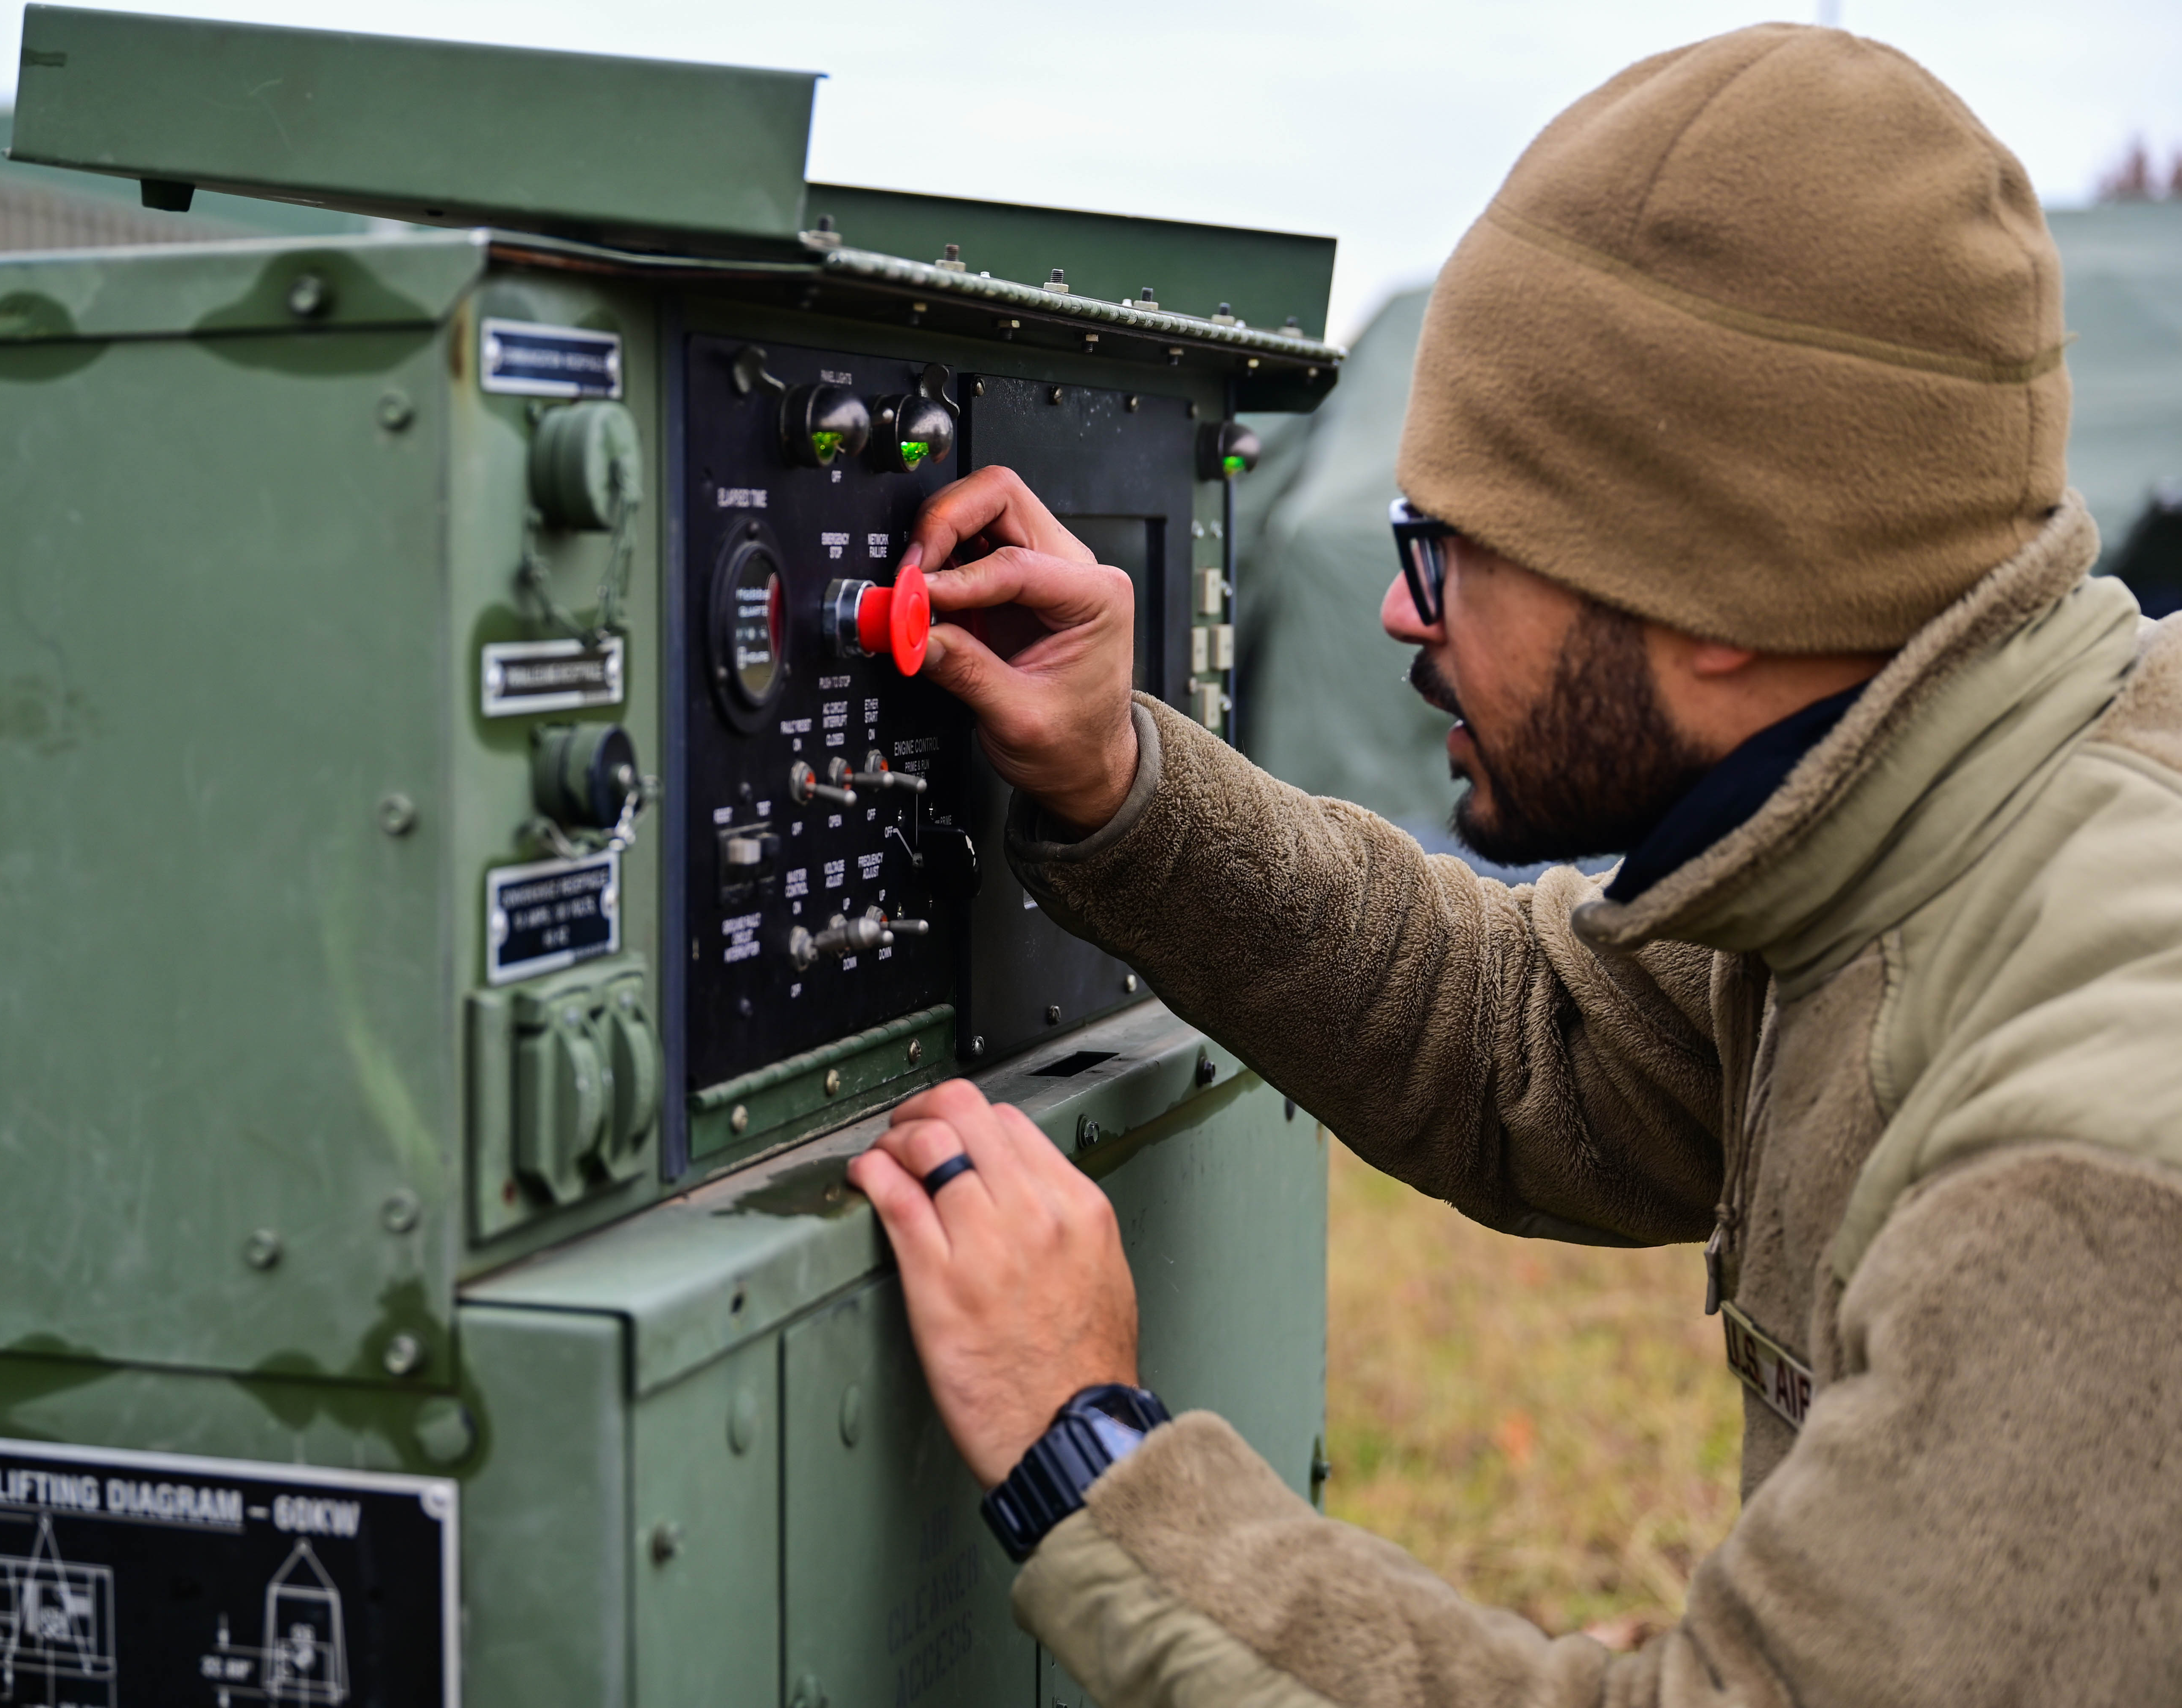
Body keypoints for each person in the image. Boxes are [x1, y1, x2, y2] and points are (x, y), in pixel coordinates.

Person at [844, 22, 2182, 1706]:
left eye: (1453, 545)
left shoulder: (2096, 1132)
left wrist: (1089, 1451)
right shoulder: (1944, 817)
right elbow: (1543, 1036)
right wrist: (1126, 786)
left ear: (1706, 592)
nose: (1402, 609)